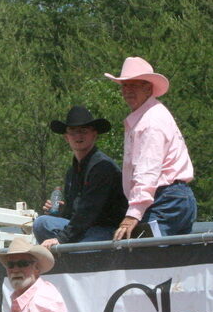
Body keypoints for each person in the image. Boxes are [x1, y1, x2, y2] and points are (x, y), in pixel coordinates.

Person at [104, 57, 197, 240]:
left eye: (133, 85)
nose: (127, 91)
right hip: (171, 198)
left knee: (143, 254)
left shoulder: (150, 122)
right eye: (124, 86)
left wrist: (132, 214)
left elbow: (148, 170)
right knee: (166, 258)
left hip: (166, 198)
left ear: (148, 88)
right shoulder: (149, 116)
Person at [33, 106, 128, 248]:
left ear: (94, 135)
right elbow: (74, 214)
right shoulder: (72, 171)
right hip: (84, 229)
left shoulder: (102, 166)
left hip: (107, 230)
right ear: (66, 137)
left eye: (84, 131)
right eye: (73, 132)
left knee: (77, 248)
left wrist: (62, 239)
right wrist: (59, 212)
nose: (78, 136)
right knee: (41, 223)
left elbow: (89, 211)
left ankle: (67, 258)